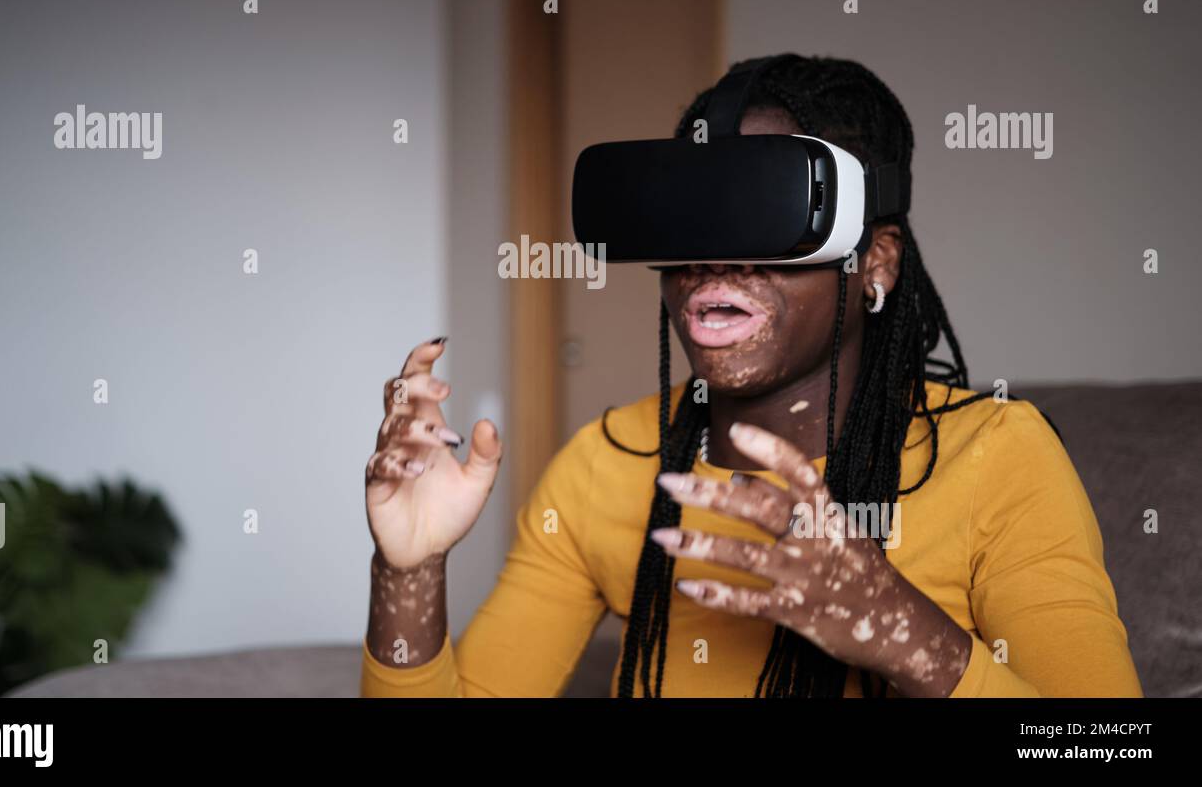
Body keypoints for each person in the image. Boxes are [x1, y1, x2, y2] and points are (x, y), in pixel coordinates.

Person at [360, 54, 1143, 697]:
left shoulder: (998, 457)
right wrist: (409, 571)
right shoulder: (607, 463)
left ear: (875, 262)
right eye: (689, 218)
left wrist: (908, 639)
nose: (712, 260)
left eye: (761, 212)